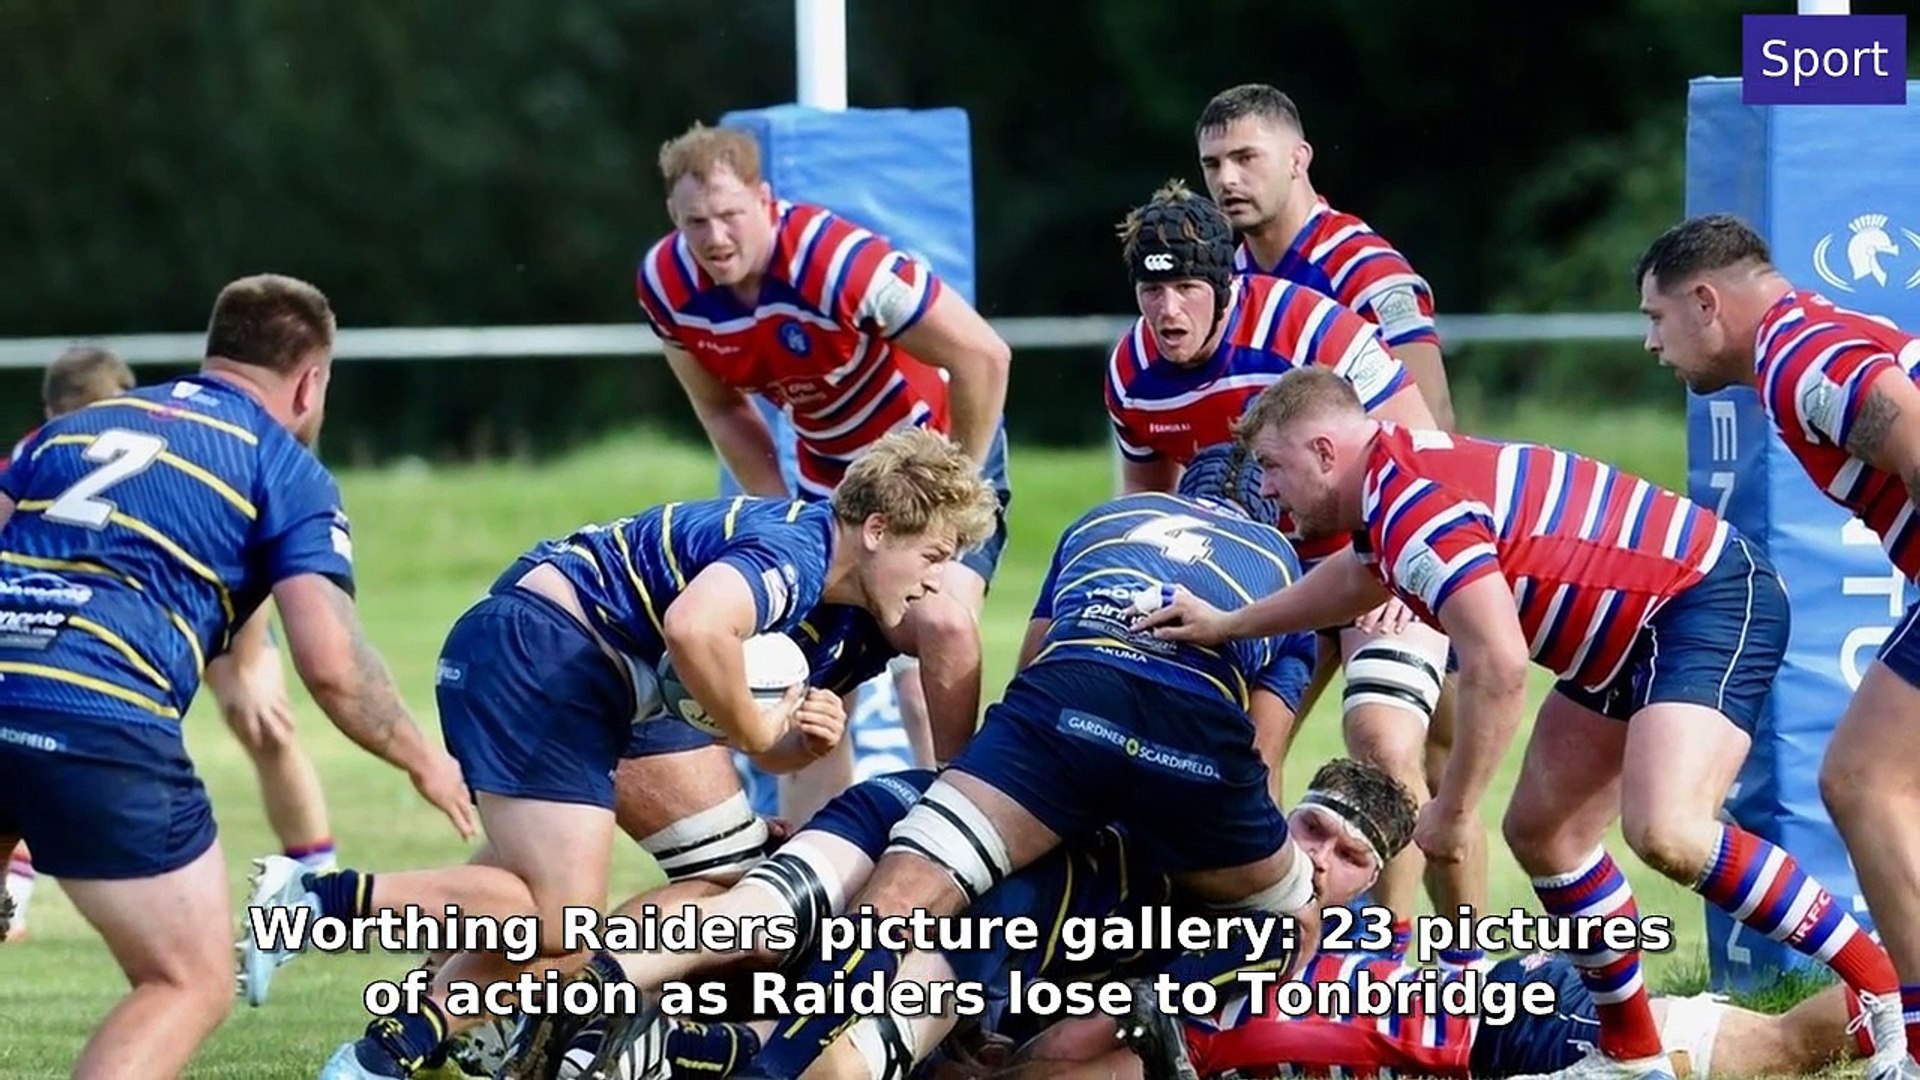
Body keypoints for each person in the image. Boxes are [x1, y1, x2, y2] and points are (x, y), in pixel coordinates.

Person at [1137, 367, 1908, 1080]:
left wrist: (1453, 809)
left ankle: (1890, 996)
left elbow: (1500, 668)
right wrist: (1228, 623)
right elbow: (1353, 580)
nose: (1270, 489)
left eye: (1272, 467)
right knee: (1543, 832)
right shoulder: (1389, 488)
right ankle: (1631, 1053)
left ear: (1324, 452)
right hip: (1626, 638)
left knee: (1667, 830)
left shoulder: (1409, 503)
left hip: (1700, 597)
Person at [236, 427, 997, 1079]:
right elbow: (696, 629)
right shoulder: (797, 551)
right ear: (875, 530)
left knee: (733, 877)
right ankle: (321, 907)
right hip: (546, 650)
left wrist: (797, 741)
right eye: (934, 556)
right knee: (557, 916)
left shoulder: (855, 619)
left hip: (618, 683)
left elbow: (752, 736)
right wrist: (762, 734)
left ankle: (449, 1027)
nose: (941, 583)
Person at [0, 275, 474, 1080]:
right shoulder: (281, 465)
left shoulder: (71, 430)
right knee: (186, 980)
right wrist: (426, 759)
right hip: (100, 713)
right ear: (310, 382)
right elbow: (332, 665)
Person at [1105, 178, 1468, 960]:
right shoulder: (1133, 371)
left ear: (1225, 285)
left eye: (1187, 288)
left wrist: (1401, 568)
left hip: (1366, 560)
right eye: (1152, 290)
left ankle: (1393, 962)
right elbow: (1151, 514)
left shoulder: (1309, 326)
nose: (1168, 310)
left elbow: (1423, 448)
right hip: (1260, 583)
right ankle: (1267, 949)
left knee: (1386, 743)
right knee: (1234, 756)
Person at [635, 121, 1014, 804]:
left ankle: (963, 821)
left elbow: (983, 356)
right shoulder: (666, 284)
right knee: (802, 685)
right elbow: (721, 409)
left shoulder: (835, 260)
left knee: (937, 633)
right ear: (672, 216)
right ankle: (812, 858)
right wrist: (782, 516)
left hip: (930, 464)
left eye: (730, 215)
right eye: (696, 222)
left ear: (764, 199)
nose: (715, 238)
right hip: (831, 486)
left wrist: (952, 487)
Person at [1193, 83, 1481, 957]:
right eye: (1213, 164)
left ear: (1299, 158)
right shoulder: (1225, 275)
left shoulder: (1363, 268)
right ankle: (1268, 954)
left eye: (1246, 157)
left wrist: (1399, 551)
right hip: (1287, 560)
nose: (1228, 179)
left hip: (1384, 550)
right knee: (1249, 748)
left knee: (1406, 753)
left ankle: (1426, 966)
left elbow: (1429, 413)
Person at [1635, 211, 1920, 1080]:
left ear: (1705, 302)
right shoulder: (1805, 338)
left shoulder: (1796, 359)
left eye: (1655, 318)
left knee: (1862, 779)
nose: (1651, 344)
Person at [1, 346, 342, 944]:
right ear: (52, 414)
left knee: (264, 722)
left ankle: (318, 878)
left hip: (195, 592)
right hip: (90, 615)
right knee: (46, 714)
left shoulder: (185, 443)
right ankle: (19, 889)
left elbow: (249, 549)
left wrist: (249, 664)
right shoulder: (39, 452)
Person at [1023, 949, 1868, 1080]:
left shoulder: (1176, 1019)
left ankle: (1904, 994)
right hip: (1508, 1015)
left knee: (1782, 1049)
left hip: (1514, 1026)